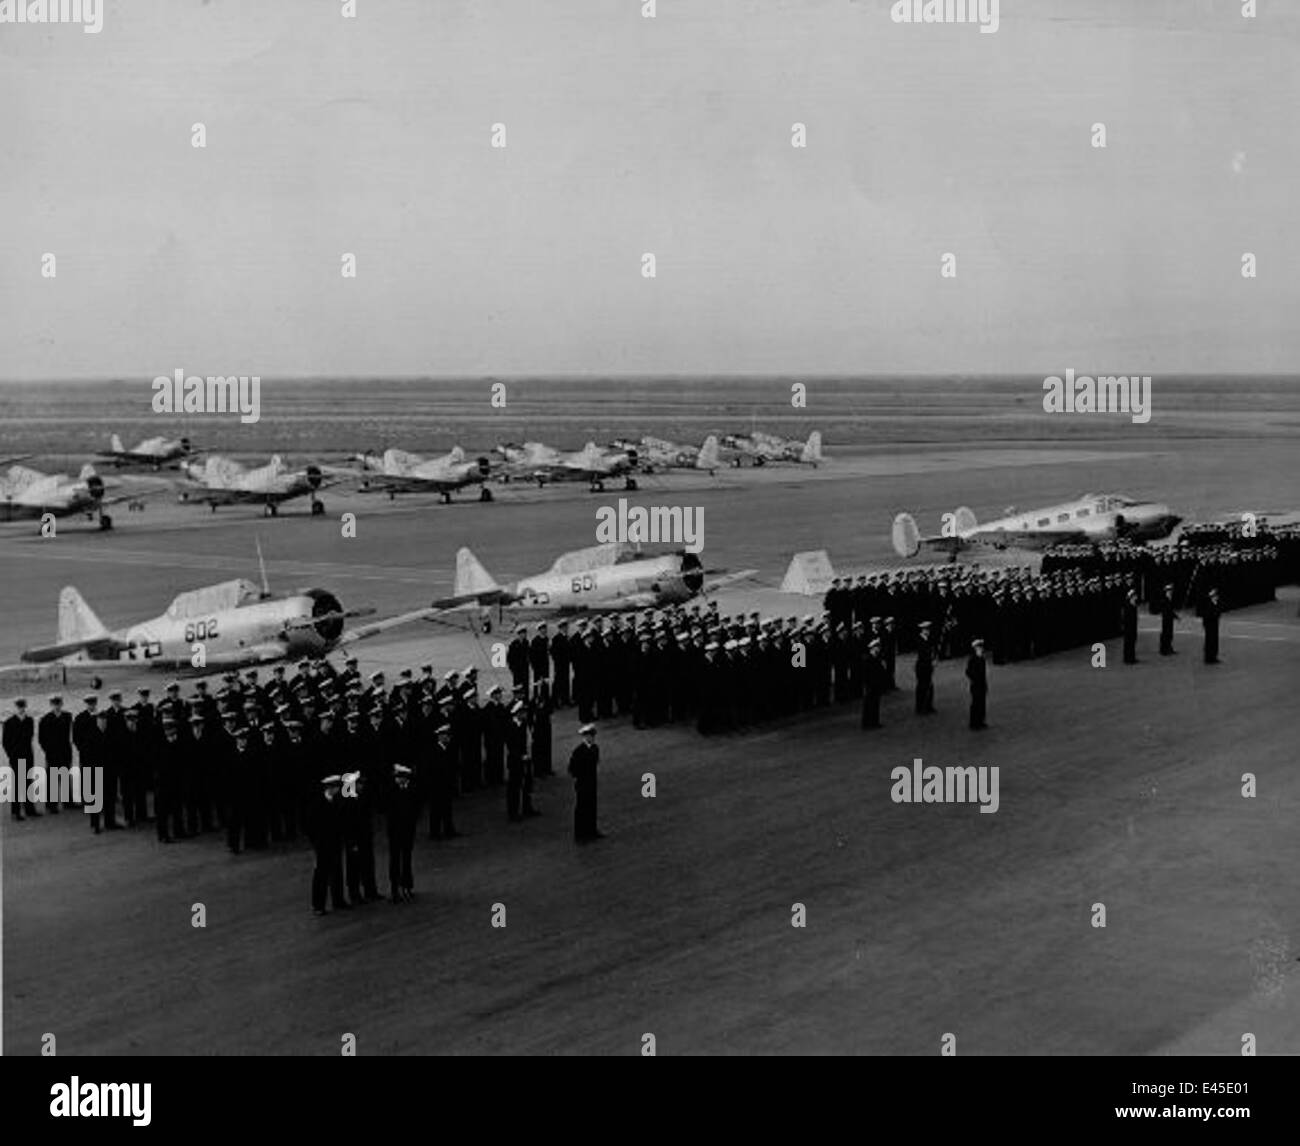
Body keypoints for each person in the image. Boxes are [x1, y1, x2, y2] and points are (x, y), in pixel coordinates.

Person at [307, 775, 348, 916]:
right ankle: (318, 905)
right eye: (336, 787)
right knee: (321, 874)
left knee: (337, 872)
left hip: (335, 842)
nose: (337, 790)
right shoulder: (317, 804)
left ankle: (338, 900)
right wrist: (316, 842)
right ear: (329, 788)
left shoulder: (337, 801)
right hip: (322, 844)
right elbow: (310, 826)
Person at [386, 763, 418, 902]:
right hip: (395, 830)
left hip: (407, 830)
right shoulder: (391, 791)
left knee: (406, 859)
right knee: (395, 860)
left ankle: (407, 885)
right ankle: (395, 888)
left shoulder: (412, 790)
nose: (399, 780)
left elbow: (416, 809)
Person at [3, 698, 39, 819]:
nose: (21, 708)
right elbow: (5, 742)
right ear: (16, 707)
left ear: (25, 707)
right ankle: (16, 811)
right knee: (17, 784)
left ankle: (29, 809)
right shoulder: (9, 722)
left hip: (27, 755)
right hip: (16, 756)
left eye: (23, 706)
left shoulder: (29, 720)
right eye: (19, 707)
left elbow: (29, 737)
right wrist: (11, 755)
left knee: (28, 782)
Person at [568, 723, 603, 842]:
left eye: (592, 736)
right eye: (589, 736)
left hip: (592, 782)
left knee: (592, 806)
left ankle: (591, 830)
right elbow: (572, 768)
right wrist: (579, 776)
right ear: (585, 737)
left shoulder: (595, 748)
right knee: (582, 808)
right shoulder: (578, 751)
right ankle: (580, 834)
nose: (591, 738)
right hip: (583, 783)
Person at [38, 695, 73, 813]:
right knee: (52, 778)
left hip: (64, 751)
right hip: (52, 752)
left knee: (65, 776)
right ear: (51, 705)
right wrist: (48, 750)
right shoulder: (45, 719)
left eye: (58, 703)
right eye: (54, 704)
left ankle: (67, 801)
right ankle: (51, 804)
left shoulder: (67, 717)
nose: (57, 706)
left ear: (61, 704)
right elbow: (41, 738)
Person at [966, 638, 988, 730]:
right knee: (976, 704)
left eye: (981, 647)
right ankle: (974, 723)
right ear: (975, 648)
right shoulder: (972, 659)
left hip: (982, 684)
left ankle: (980, 721)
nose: (981, 649)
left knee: (982, 704)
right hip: (976, 685)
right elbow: (968, 671)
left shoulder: (982, 658)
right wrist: (974, 678)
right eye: (979, 647)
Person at [914, 622, 936, 715]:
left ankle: (928, 706)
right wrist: (931, 661)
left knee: (930, 686)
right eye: (926, 629)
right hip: (922, 666)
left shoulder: (928, 639)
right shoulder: (919, 640)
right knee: (922, 687)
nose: (928, 631)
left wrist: (933, 659)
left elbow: (931, 651)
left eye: (928, 629)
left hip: (928, 666)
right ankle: (919, 708)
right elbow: (923, 654)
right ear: (922, 630)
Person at [1202, 586, 1221, 665]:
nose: (1217, 597)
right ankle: (1208, 658)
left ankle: (1213, 656)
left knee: (1214, 641)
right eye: (1216, 596)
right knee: (1209, 641)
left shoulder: (1216, 604)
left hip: (1215, 626)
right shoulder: (1209, 605)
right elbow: (1207, 616)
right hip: (1210, 626)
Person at [1159, 582, 1178, 656]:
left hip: (1170, 619)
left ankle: (1169, 648)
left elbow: (1171, 610)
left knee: (1170, 634)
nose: (1171, 592)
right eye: (1169, 590)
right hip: (1166, 619)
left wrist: (1175, 616)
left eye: (1171, 590)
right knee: (1165, 634)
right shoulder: (1164, 600)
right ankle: (1164, 649)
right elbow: (1166, 611)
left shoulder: (1170, 599)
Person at [1122, 588, 1140, 664]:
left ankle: (1132, 657)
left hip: (1133, 626)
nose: (1136, 597)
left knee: (1132, 642)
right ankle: (1128, 658)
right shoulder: (1128, 606)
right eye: (1135, 596)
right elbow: (1125, 618)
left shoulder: (1133, 605)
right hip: (1128, 627)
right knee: (1128, 642)